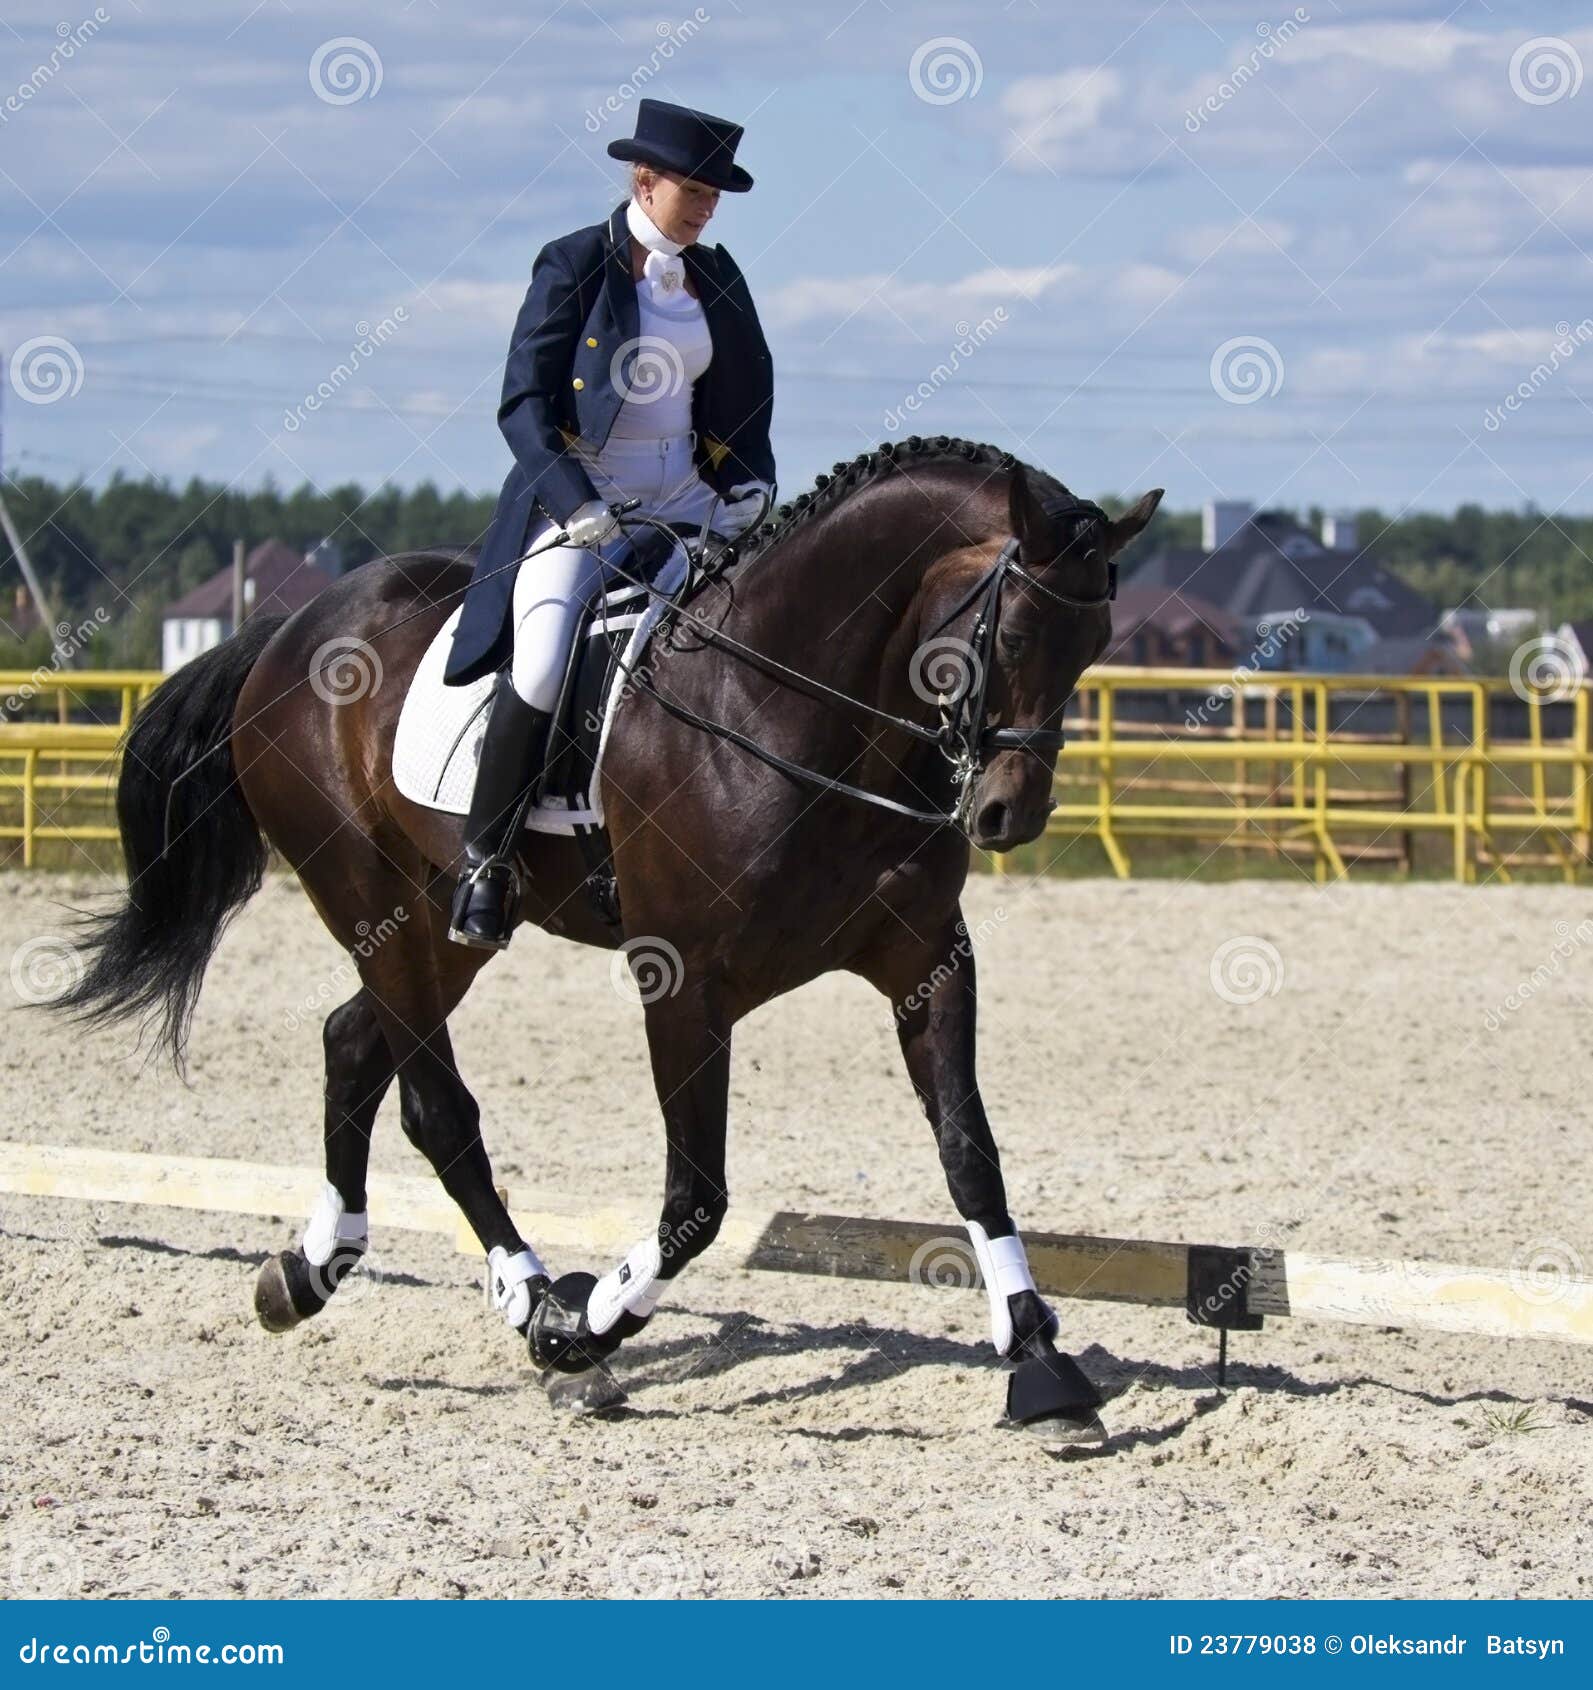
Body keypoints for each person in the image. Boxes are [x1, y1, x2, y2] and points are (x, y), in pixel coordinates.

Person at [442, 99, 776, 950]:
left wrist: (748, 489)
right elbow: (521, 404)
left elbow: (747, 404)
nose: (704, 208)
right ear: (643, 178)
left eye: (714, 196)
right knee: (548, 657)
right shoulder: (573, 264)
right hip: (584, 501)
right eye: (692, 191)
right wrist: (575, 505)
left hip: (685, 500)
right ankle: (488, 861)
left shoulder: (720, 278)